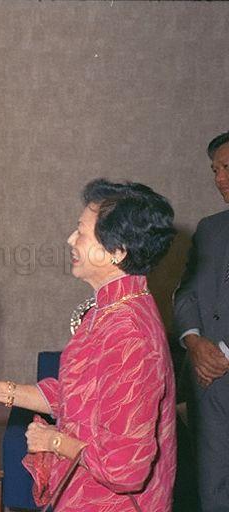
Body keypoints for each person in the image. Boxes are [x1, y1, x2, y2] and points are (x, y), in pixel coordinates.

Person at [0, 179, 177, 511]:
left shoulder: (130, 335)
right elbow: (78, 397)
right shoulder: (111, 308)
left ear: (117, 251)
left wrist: (53, 441)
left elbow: (125, 469)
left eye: (81, 232)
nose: (71, 239)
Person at [173, 130, 229, 512]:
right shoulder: (209, 229)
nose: (219, 179)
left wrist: (222, 351)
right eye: (214, 170)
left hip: (217, 365)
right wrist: (194, 341)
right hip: (208, 387)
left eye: (226, 168)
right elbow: (185, 293)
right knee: (212, 491)